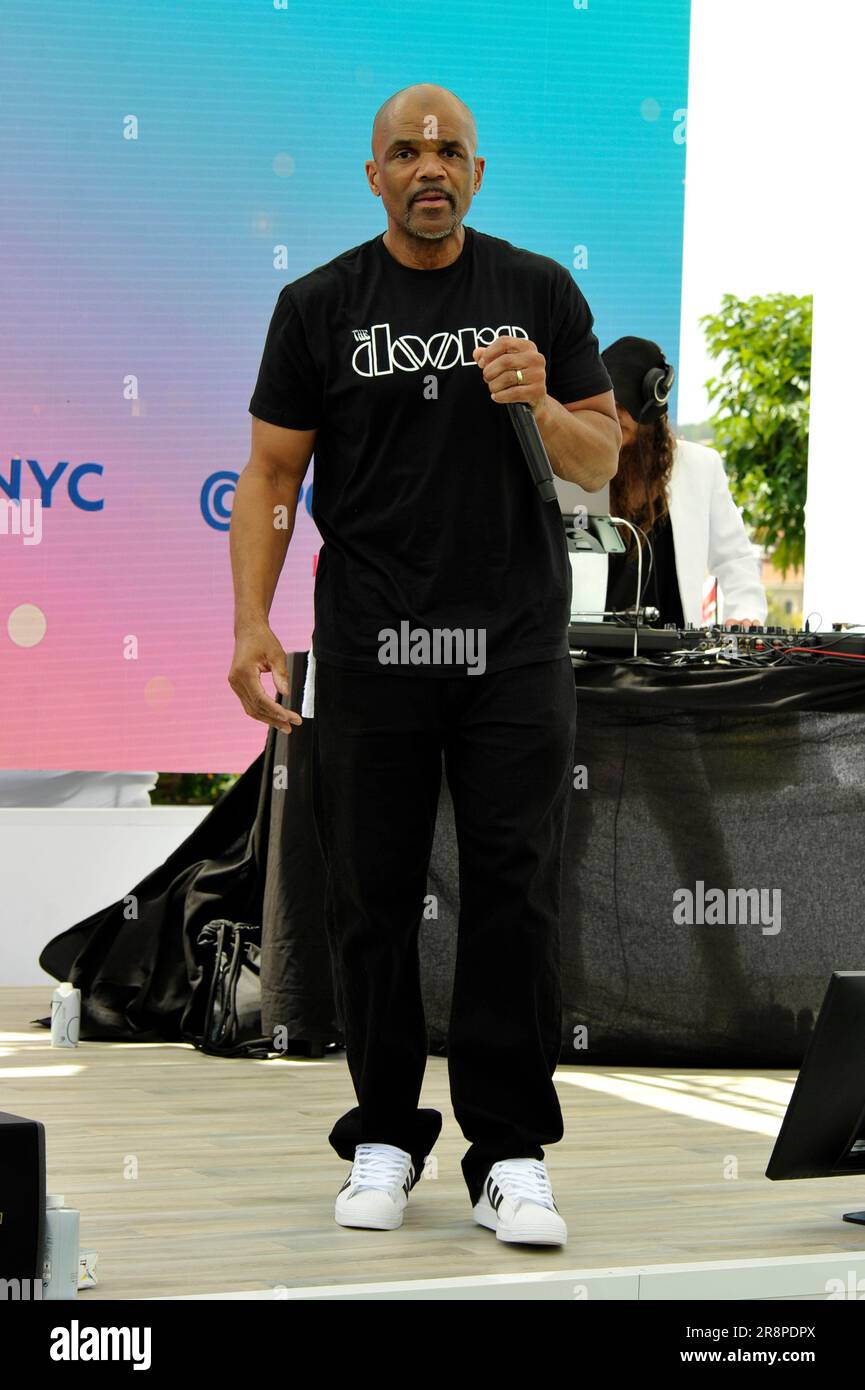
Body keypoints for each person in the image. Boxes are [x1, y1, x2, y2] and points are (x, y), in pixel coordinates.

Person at [229, 84, 620, 1248]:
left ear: (478, 173)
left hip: (510, 649)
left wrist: (539, 400)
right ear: (374, 176)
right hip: (375, 645)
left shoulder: (539, 291)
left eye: (448, 150)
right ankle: (388, 1134)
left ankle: (508, 1152)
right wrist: (251, 622)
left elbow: (600, 459)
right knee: (371, 898)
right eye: (405, 151)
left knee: (513, 892)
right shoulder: (319, 305)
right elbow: (269, 478)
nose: (428, 166)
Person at [600, 336, 767, 628]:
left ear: (653, 404)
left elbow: (735, 559)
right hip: (587, 656)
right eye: (607, 404)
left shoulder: (702, 467)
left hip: (674, 658)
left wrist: (744, 613)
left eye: (625, 404)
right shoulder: (575, 467)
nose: (615, 415)